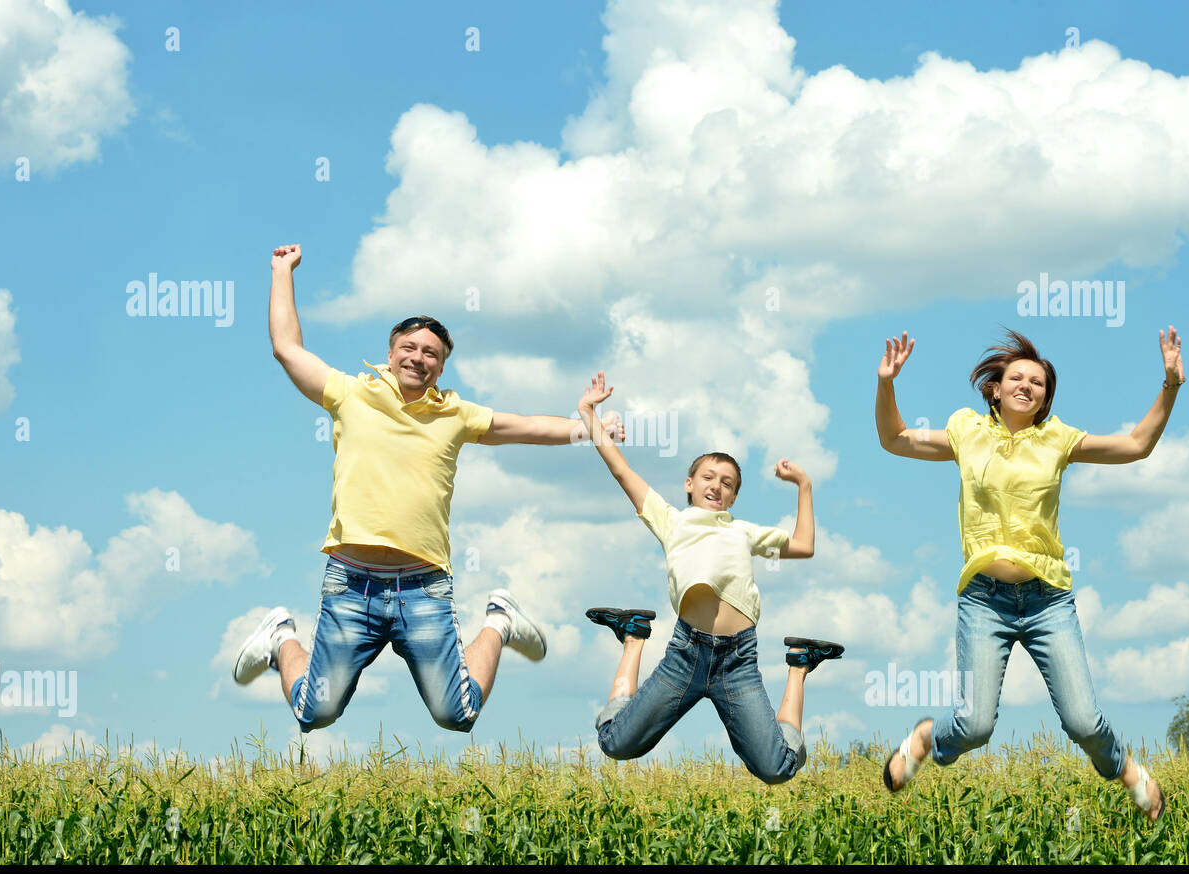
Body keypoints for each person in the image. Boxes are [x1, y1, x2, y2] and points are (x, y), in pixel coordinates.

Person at [231, 243, 619, 736]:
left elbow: (522, 426)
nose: (419, 358)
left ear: (441, 366)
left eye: (431, 354)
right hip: (351, 584)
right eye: (409, 349)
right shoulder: (351, 394)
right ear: (390, 354)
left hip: (423, 588)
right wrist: (281, 270)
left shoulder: (454, 413)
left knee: (456, 715)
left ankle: (499, 622)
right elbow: (287, 348)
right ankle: (282, 637)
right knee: (315, 712)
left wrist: (586, 427)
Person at [875, 327, 1183, 821]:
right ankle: (930, 737)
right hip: (984, 599)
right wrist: (887, 383)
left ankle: (1127, 771)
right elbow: (894, 438)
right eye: (1016, 377)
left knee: (1083, 721)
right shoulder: (966, 431)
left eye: (1037, 382)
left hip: (1047, 600)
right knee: (973, 727)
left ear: (1045, 397)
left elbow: (1136, 445)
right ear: (995, 389)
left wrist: (1170, 385)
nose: (1026, 385)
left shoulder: (1058, 439)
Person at [578, 372, 843, 784]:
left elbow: (804, 545)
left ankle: (799, 666)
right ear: (688, 484)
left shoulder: (743, 531)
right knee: (616, 743)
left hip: (737, 660)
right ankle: (633, 637)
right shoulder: (671, 520)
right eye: (707, 477)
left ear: (734, 497)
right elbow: (621, 471)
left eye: (727, 483)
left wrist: (804, 485)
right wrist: (587, 412)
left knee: (777, 769)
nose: (716, 487)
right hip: (685, 655)